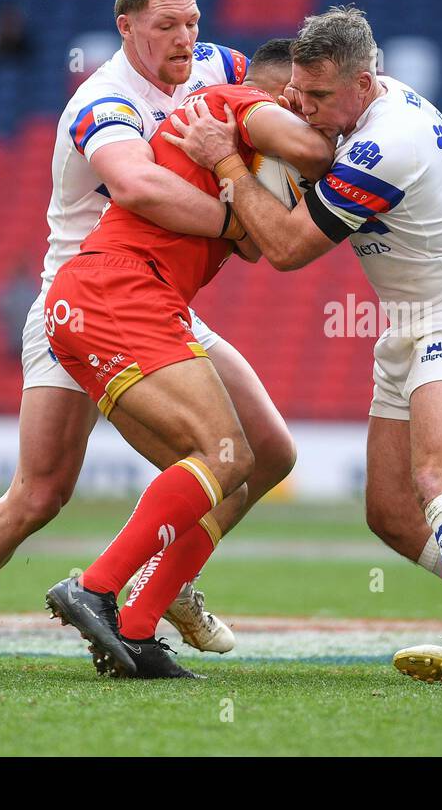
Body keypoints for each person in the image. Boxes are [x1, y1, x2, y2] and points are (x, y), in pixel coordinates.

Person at [167, 6, 442, 683]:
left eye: (319, 97)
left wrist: (225, 160)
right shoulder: (366, 112)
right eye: (298, 93)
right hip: (408, 325)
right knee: (392, 515)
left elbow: (284, 248)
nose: (302, 108)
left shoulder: (386, 143)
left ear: (366, 83)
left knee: (437, 479)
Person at [0, 0, 296, 673]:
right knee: (41, 493)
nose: (185, 38)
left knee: (265, 454)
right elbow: (140, 187)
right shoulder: (102, 99)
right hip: (83, 305)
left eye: (193, 21)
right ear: (126, 27)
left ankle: (160, 584)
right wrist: (247, 218)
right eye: (166, 25)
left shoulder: (216, 66)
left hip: (161, 304)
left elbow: (271, 98)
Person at [43, 50, 335, 678]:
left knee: (252, 456)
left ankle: (141, 628)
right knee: (224, 452)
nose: (314, 112)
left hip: (130, 296)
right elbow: (313, 151)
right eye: (310, 98)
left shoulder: (240, 142)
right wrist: (369, 142)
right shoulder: (240, 107)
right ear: (286, 89)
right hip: (119, 290)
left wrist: (242, 176)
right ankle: (93, 587)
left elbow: (259, 245)